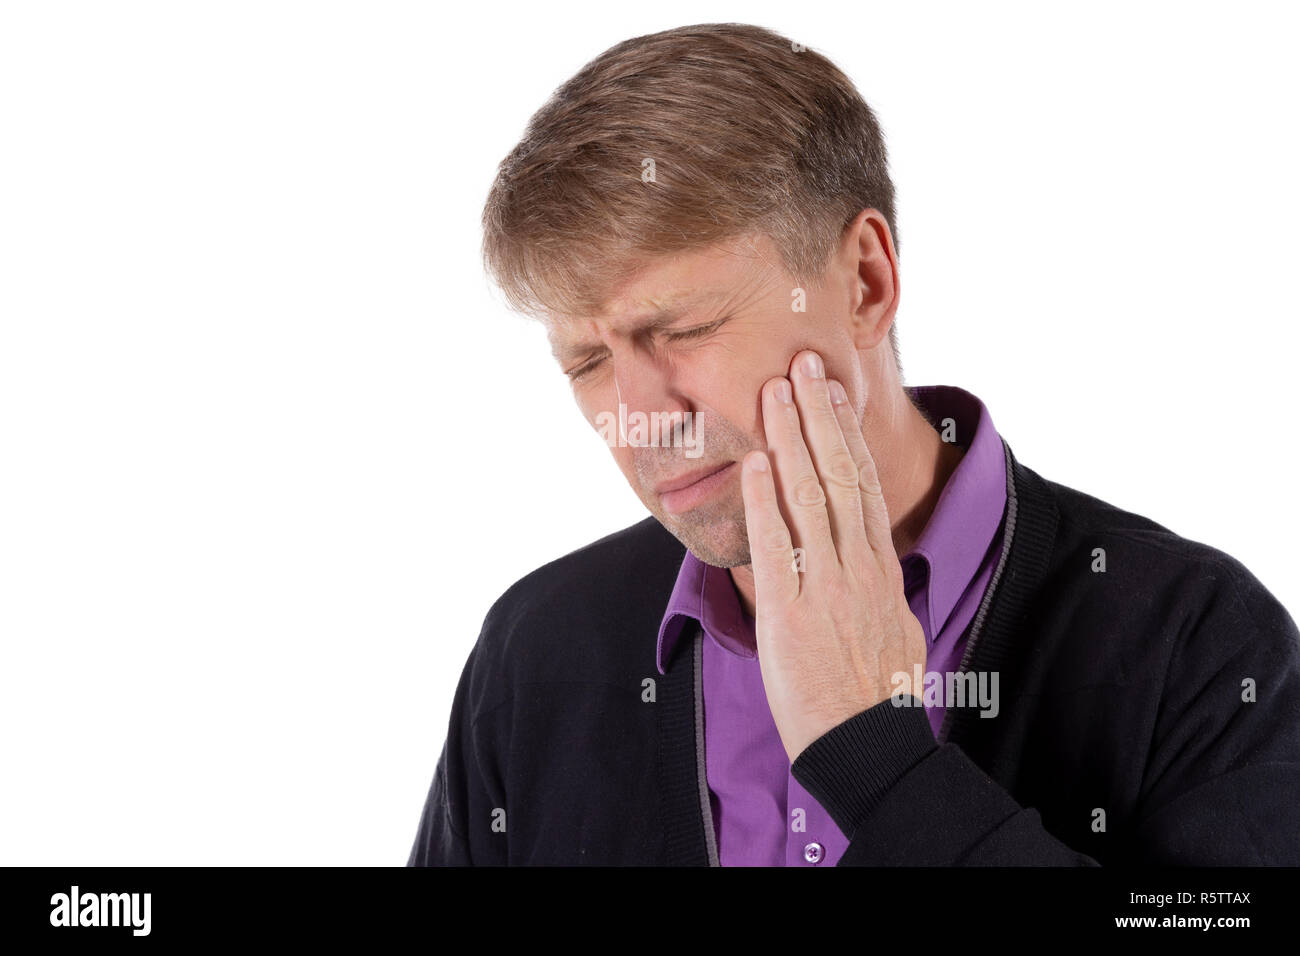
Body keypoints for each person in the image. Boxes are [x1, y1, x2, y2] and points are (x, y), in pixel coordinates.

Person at [407, 22, 1300, 866]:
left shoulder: (1199, 642)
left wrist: (877, 758)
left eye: (683, 328)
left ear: (866, 284)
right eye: (589, 360)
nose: (640, 416)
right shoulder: (538, 651)